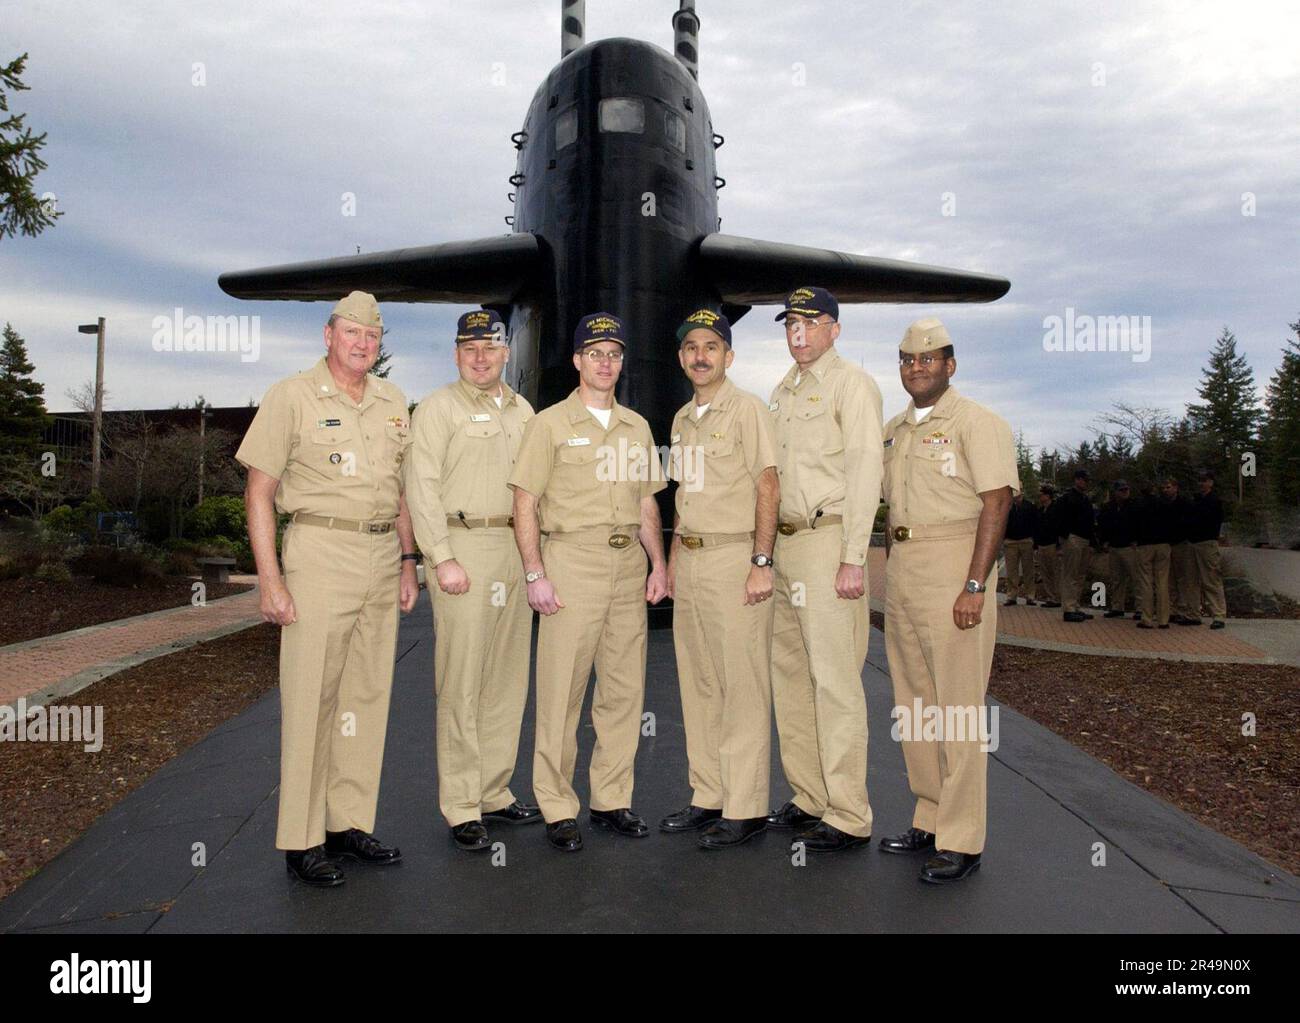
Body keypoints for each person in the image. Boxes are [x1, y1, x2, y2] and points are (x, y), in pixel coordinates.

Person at [237, 291, 419, 888]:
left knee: (366, 694)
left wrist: (408, 561)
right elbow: (259, 493)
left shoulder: (394, 401)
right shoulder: (291, 396)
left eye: (372, 335)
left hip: (380, 552)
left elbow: (399, 491)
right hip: (319, 553)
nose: (363, 343)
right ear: (328, 335)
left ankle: (346, 823)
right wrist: (271, 580)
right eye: (351, 333)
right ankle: (302, 838)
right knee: (311, 695)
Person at [508, 312, 669, 852]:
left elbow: (647, 501)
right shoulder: (549, 424)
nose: (605, 362)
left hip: (627, 567)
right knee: (561, 692)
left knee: (624, 691)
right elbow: (524, 503)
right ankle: (556, 805)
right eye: (595, 353)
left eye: (614, 354)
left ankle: (611, 799)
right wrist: (535, 573)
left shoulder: (637, 427)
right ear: (577, 360)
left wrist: (660, 565)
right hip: (571, 562)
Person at [881, 317, 1016, 884]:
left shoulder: (977, 422)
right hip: (905, 568)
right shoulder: (894, 430)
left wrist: (975, 584)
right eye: (909, 359)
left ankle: (962, 838)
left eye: (929, 359)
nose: (918, 367)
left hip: (954, 564)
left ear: (950, 365)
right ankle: (930, 816)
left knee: (958, 708)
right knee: (914, 705)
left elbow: (997, 502)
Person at [406, 311, 540, 852]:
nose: (480, 356)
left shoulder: (523, 410)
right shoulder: (438, 409)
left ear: (506, 351)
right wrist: (440, 558)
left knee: (506, 678)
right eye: (469, 348)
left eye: (489, 346)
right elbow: (421, 489)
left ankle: (494, 791)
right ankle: (462, 804)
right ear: (456, 354)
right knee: (461, 681)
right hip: (463, 549)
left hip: (513, 550)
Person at [765, 286, 883, 853]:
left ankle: (849, 813)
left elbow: (865, 473)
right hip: (786, 548)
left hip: (827, 540)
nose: (799, 332)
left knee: (835, 682)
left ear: (834, 329)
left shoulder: (851, 385)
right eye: (791, 323)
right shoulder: (781, 392)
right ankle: (810, 795)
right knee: (790, 677)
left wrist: (853, 557)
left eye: (810, 323)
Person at [659, 309, 780, 849]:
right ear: (682, 358)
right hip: (694, 559)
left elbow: (768, 486)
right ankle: (707, 795)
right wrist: (673, 563)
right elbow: (683, 500)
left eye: (711, 346)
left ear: (728, 356)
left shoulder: (748, 410)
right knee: (699, 684)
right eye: (691, 348)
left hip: (736, 562)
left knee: (741, 687)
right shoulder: (683, 419)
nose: (700, 356)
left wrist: (761, 562)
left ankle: (746, 806)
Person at [1190, 469, 1227, 629]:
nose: (1202, 483)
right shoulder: (1196, 500)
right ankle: (1193, 612)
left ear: (1211, 482)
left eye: (1205, 480)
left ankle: (1218, 614)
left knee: (1211, 579)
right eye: (1200, 480)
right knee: (1192, 580)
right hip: (1194, 543)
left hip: (1208, 542)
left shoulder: (1215, 501)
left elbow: (1218, 521)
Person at [1057, 469, 1096, 622]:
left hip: (1085, 539)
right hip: (1073, 538)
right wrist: (1065, 536)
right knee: (1070, 574)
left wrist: (1092, 541)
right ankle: (1068, 608)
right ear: (1077, 480)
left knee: (1080, 575)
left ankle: (1076, 605)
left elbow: (1090, 522)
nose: (1086, 483)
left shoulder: (1085, 499)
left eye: (1087, 480)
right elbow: (1058, 518)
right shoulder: (1067, 498)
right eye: (1084, 480)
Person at [1132, 481, 1172, 629]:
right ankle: (1163, 619)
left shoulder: (1138, 505)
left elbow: (1134, 524)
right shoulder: (1164, 503)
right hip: (1163, 543)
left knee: (1145, 581)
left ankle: (1147, 618)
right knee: (1162, 581)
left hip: (1145, 544)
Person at [1097, 480, 1137, 618]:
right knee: (1116, 579)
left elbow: (1139, 524)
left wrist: (1135, 540)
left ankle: (1141, 608)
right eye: (1122, 490)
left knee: (1136, 578)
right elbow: (1103, 525)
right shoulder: (1108, 507)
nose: (1125, 492)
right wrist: (1104, 541)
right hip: (1114, 546)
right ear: (1115, 492)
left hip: (1129, 547)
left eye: (1126, 489)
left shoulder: (1133, 506)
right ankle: (1117, 606)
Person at [1165, 477, 1201, 625]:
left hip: (1182, 543)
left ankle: (1187, 610)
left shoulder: (1185, 504)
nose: (1166, 490)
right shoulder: (1163, 504)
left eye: (1168, 487)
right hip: (1168, 544)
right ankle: (1172, 610)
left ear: (1176, 488)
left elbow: (1191, 521)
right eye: (1165, 488)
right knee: (1170, 580)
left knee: (1185, 578)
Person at [1002, 488, 1037, 606]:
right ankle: (1012, 595)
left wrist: (1034, 540)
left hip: (1026, 540)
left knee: (1029, 570)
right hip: (1010, 541)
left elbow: (1035, 522)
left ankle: (1030, 595)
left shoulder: (1029, 506)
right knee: (1011, 570)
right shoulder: (1007, 507)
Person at [1033, 484, 1061, 608]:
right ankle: (1051, 597)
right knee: (1045, 573)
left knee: (1055, 572)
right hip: (1041, 545)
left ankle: (1058, 597)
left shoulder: (1056, 509)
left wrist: (1059, 544)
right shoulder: (1040, 511)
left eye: (1042, 494)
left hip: (1052, 544)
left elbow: (1059, 527)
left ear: (1048, 496)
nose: (1040, 496)